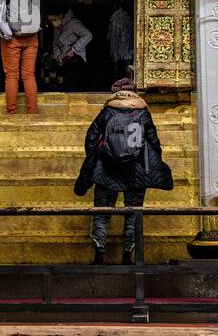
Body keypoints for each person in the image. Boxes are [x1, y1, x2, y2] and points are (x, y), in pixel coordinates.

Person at [74, 78, 174, 264]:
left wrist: (100, 156)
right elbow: (154, 142)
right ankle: (128, 256)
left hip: (106, 170)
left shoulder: (107, 112)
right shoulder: (143, 113)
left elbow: (91, 139)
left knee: (102, 212)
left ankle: (99, 255)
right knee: (133, 213)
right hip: (136, 172)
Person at [47, 9, 93, 90]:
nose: (53, 23)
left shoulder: (73, 23)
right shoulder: (57, 28)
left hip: (76, 60)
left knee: (71, 86)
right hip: (64, 62)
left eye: (54, 20)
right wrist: (57, 56)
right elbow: (55, 44)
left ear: (60, 16)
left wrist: (74, 49)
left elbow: (88, 35)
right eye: (51, 21)